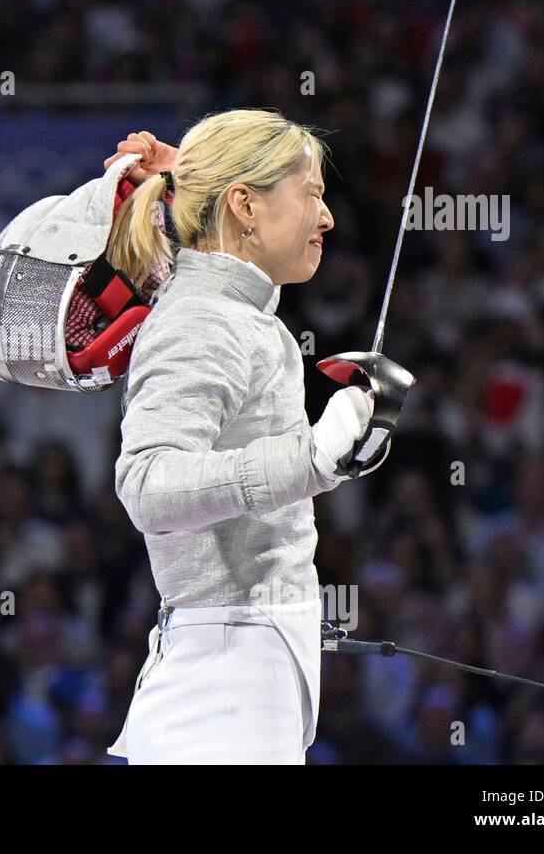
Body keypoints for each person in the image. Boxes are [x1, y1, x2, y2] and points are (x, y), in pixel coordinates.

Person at [103, 110, 390, 764]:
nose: (327, 218)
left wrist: (191, 176)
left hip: (238, 685)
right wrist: (312, 457)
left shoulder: (236, 313)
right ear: (246, 206)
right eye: (313, 193)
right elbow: (146, 484)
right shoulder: (203, 318)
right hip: (218, 700)